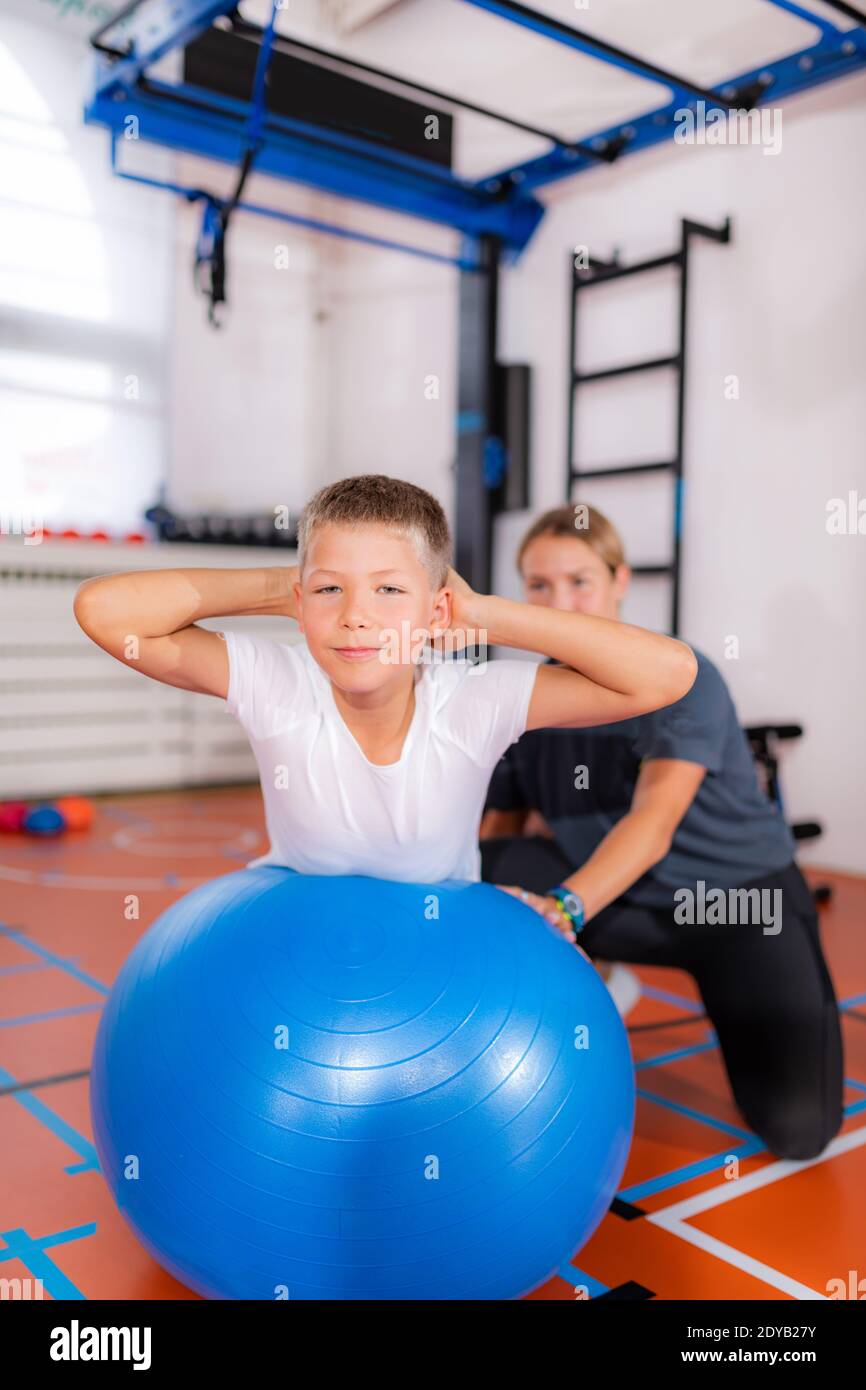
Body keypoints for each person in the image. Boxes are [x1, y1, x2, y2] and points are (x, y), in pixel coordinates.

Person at [72, 475, 695, 898]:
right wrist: (285, 586)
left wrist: (481, 613)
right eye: (329, 591)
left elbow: (669, 674)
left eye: (390, 589)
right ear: (299, 601)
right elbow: (103, 612)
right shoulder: (279, 682)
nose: (356, 617)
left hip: (432, 947)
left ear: (435, 608)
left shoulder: (472, 699)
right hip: (300, 935)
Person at [479, 502, 844, 1162]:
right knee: (479, 867)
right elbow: (498, 831)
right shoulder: (522, 700)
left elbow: (652, 825)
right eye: (538, 586)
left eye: (580, 581)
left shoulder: (680, 676)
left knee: (799, 1131)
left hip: (733, 905)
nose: (559, 601)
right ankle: (599, 975)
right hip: (620, 904)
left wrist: (561, 910)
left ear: (620, 582)